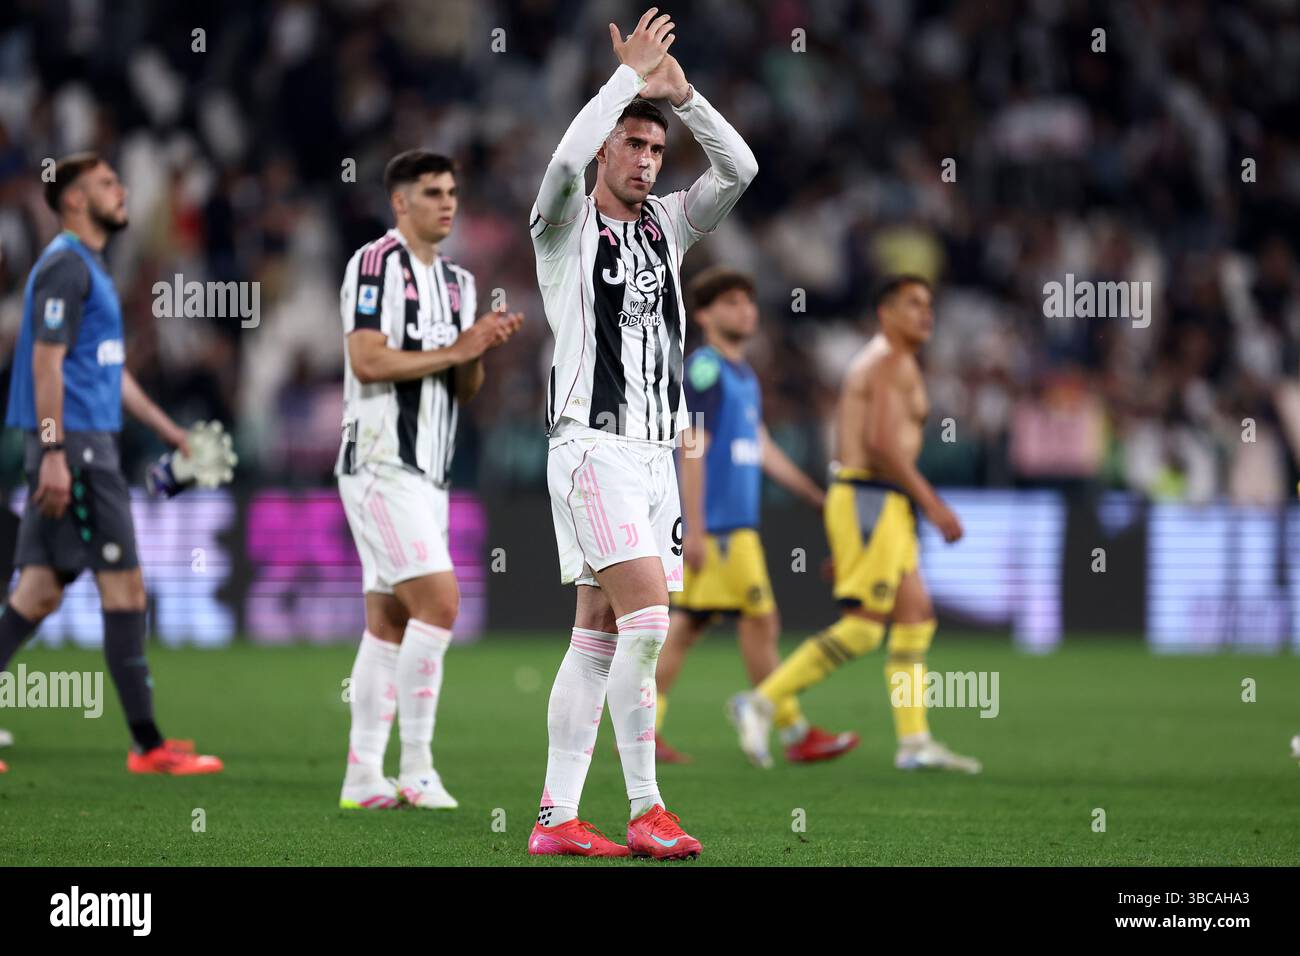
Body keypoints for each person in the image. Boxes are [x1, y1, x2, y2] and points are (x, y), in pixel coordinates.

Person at [527, 8, 756, 858]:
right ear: (605, 149)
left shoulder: (669, 224)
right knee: (647, 623)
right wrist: (626, 78)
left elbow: (742, 166)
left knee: (594, 636)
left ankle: (555, 819)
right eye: (632, 145)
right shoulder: (562, 226)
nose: (646, 161)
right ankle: (645, 806)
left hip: (656, 455)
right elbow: (558, 161)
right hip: (594, 445)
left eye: (656, 151)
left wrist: (683, 96)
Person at [0, 153, 221, 775]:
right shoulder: (66, 267)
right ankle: (149, 747)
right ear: (72, 199)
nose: (122, 190)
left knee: (38, 595)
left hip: (82, 445)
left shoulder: (88, 268)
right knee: (125, 588)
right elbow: (45, 365)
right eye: (105, 184)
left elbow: (107, 371)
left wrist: (169, 429)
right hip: (76, 449)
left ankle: (148, 744)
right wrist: (51, 452)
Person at [729, 277, 981, 774]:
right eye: (913, 305)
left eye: (929, 305)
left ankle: (914, 742)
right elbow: (883, 444)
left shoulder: (886, 360)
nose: (925, 314)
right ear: (885, 313)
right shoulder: (889, 359)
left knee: (916, 616)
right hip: (872, 497)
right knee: (866, 629)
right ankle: (759, 702)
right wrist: (933, 505)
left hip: (876, 502)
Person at [335, 149, 521, 809]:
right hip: (381, 459)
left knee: (387, 622)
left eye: (452, 191)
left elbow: (462, 386)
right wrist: (454, 349)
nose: (448, 202)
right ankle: (415, 768)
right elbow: (365, 359)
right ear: (400, 202)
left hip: (432, 470)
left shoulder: (459, 284)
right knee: (440, 604)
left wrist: (479, 349)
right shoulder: (374, 264)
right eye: (433, 192)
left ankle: (362, 778)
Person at [656, 265, 857, 766]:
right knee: (762, 621)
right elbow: (692, 447)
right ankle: (792, 730)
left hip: (733, 527)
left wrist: (813, 494)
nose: (744, 310)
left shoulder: (742, 375)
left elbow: (761, 446)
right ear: (703, 314)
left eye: (747, 301)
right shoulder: (705, 368)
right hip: (722, 530)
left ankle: (644, 729)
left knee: (686, 628)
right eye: (730, 302)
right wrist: (695, 529)